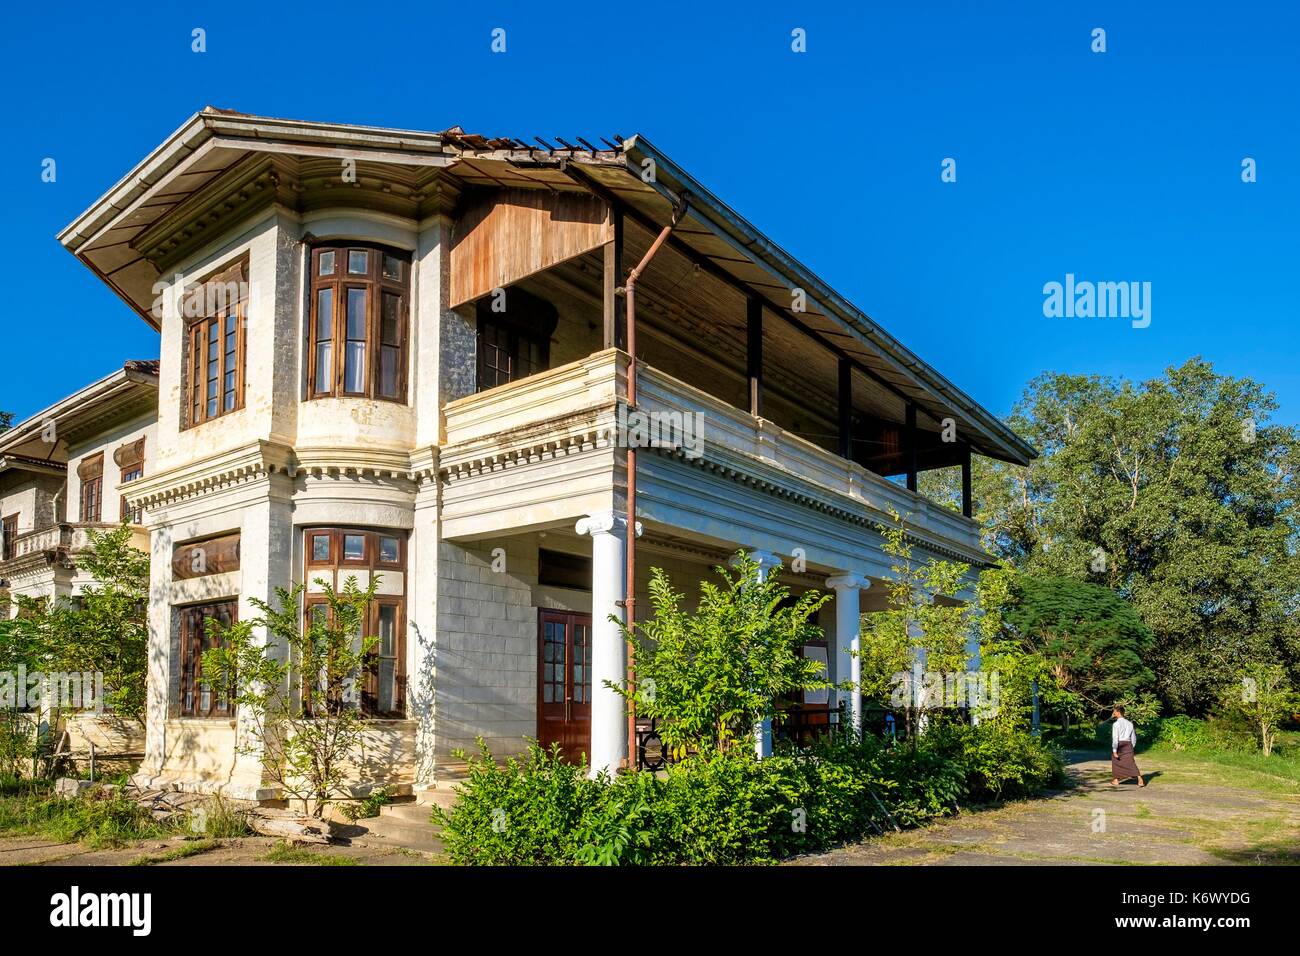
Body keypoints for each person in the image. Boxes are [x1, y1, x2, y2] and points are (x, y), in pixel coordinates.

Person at [1110, 706, 1145, 787]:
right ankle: (1139, 780)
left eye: (1114, 711)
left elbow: (1115, 738)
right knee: (1130, 762)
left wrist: (1114, 750)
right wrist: (1131, 746)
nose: (1113, 713)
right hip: (1128, 744)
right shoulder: (1130, 723)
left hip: (1120, 744)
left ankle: (1116, 780)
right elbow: (1133, 737)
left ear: (1118, 713)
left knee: (1116, 761)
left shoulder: (1116, 724)